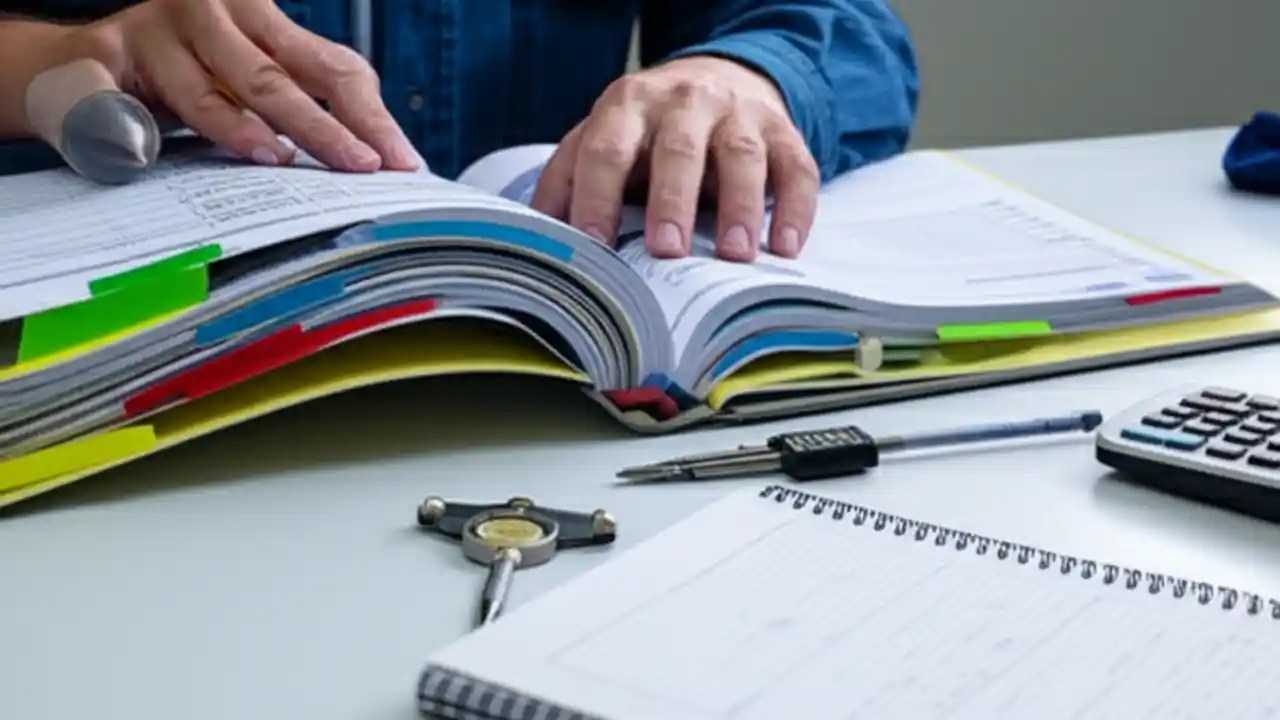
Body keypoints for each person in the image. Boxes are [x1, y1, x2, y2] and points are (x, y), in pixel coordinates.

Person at [0, 0, 918, 261]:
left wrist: (740, 77)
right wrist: (45, 60)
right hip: (118, 371)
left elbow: (851, 36)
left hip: (543, 392)